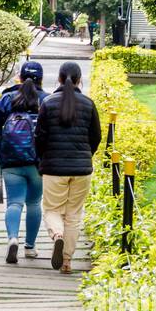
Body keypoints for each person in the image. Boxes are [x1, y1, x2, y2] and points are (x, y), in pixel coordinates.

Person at [34, 61, 102, 273]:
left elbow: (39, 138)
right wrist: (85, 156)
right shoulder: (89, 104)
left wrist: (42, 159)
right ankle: (66, 261)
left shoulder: (48, 103)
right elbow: (96, 137)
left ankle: (57, 235)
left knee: (52, 209)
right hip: (81, 170)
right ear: (80, 79)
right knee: (74, 215)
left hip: (53, 168)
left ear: (60, 79)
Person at [0, 61, 44, 264]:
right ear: (41, 80)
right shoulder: (46, 100)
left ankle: (12, 238)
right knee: (34, 203)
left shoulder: (7, 98)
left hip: (10, 160)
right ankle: (30, 247)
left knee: (14, 202)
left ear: (19, 78)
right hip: (38, 162)